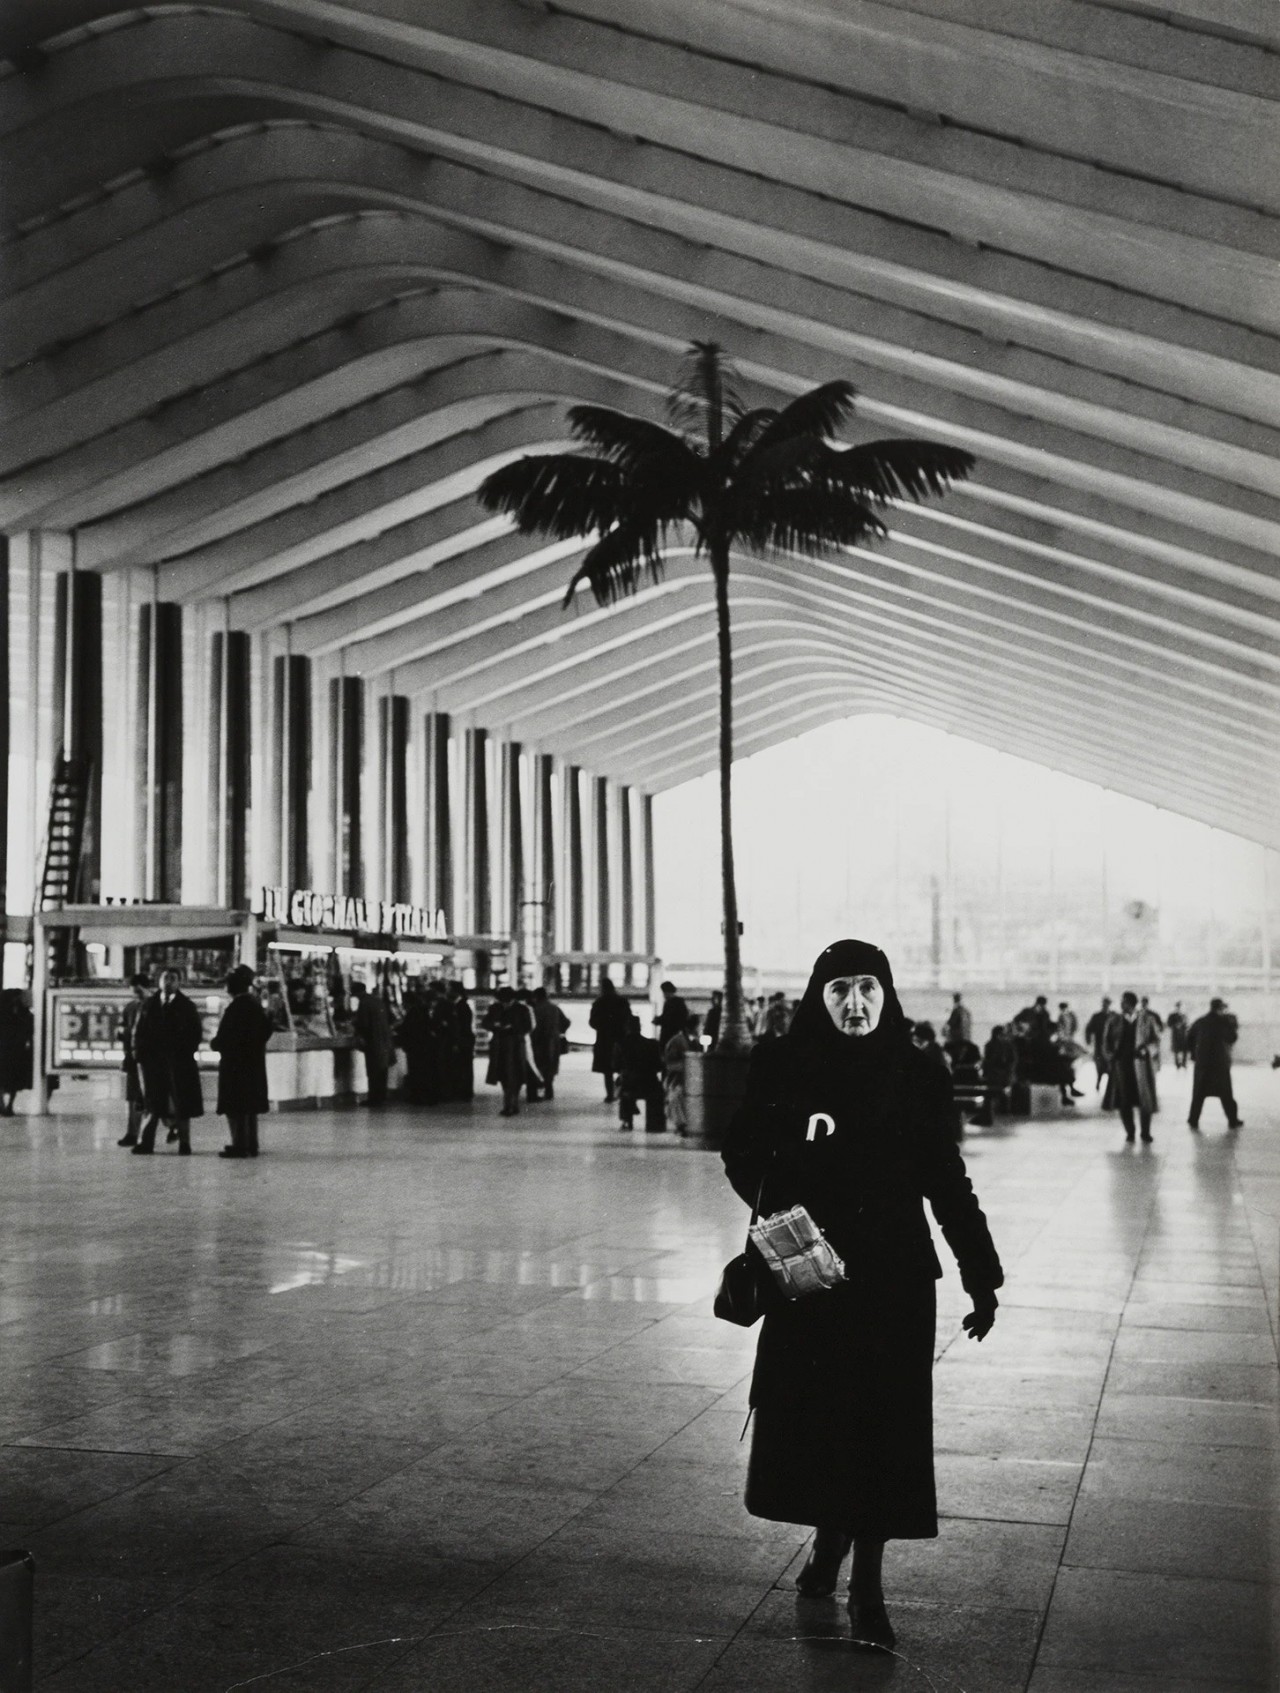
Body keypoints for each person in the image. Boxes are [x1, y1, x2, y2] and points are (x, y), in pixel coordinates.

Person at [722, 940, 1001, 1649]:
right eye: (840, 988)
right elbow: (742, 1150)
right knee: (822, 1422)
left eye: (868, 988)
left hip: (895, 1282)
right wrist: (788, 1212)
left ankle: (866, 1582)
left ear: (888, 993)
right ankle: (828, 1541)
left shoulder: (916, 1072)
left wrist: (981, 1272)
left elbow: (945, 1176)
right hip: (811, 1280)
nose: (855, 1003)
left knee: (885, 1431)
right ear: (819, 994)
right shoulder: (784, 1064)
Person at [132, 969, 204, 1154]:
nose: (169, 982)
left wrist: (184, 1052)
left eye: (173, 979)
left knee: (181, 1104)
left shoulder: (187, 1006)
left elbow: (195, 1034)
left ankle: (184, 1143)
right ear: (159, 981)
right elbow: (138, 1032)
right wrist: (139, 1055)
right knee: (152, 1103)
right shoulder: (148, 1005)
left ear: (179, 983)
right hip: (152, 1063)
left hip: (179, 1062)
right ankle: (145, 1142)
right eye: (166, 978)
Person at [210, 965, 271, 1158]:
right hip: (253, 1063)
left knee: (235, 1106)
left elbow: (225, 1037)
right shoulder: (255, 1005)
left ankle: (239, 1144)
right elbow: (265, 1031)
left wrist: (216, 1044)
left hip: (235, 1065)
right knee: (249, 1108)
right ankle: (250, 1143)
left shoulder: (236, 1007)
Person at [1101, 992, 1161, 1144]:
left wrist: (1146, 1049)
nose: (1121, 1005)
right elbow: (1106, 1042)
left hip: (1141, 1066)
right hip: (1121, 1066)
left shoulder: (1148, 1020)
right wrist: (1111, 1057)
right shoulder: (1113, 1020)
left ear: (1131, 1004)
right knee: (1123, 1101)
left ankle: (1145, 1133)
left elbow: (1156, 1041)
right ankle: (1130, 1132)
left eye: (1123, 1002)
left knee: (1144, 1101)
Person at [1187, 998, 1243, 1132]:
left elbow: (1189, 1037)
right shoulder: (1224, 1022)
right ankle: (1233, 1120)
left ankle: (1193, 1119)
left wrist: (1194, 1055)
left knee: (1199, 1093)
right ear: (1220, 1008)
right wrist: (1232, 1024)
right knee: (1226, 1094)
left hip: (1203, 1063)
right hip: (1220, 1064)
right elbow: (1232, 1038)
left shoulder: (1200, 1021)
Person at [483, 987, 537, 1117]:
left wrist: (512, 1027)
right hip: (501, 1045)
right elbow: (485, 1023)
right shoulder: (495, 1007)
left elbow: (528, 1027)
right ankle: (510, 1103)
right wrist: (495, 1025)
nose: (504, 1004)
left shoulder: (522, 1009)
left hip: (515, 1045)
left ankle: (510, 1104)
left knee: (513, 1075)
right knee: (504, 1075)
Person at [116, 974, 152, 1145]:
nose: (137, 995)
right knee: (133, 1096)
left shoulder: (152, 1006)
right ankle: (133, 1132)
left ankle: (139, 1133)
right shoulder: (131, 1007)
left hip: (146, 1058)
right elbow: (123, 1028)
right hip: (133, 1057)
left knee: (143, 1097)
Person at [617, 1011, 663, 1132]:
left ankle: (627, 1120)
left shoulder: (621, 1044)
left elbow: (615, 1065)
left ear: (626, 1028)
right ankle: (654, 1123)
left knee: (623, 1082)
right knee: (653, 1088)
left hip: (629, 1084)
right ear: (640, 1027)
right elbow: (659, 1066)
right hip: (650, 1083)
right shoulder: (652, 1044)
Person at [351, 981, 394, 1105]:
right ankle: (381, 1096)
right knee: (382, 1070)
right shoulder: (377, 1001)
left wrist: (356, 1028)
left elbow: (364, 1024)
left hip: (373, 1042)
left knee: (373, 1071)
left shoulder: (364, 1003)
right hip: (384, 1041)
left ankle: (374, 1098)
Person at [588, 977, 630, 1103]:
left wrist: (603, 1027)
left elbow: (592, 1022)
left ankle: (610, 1095)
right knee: (622, 1067)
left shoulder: (599, 1002)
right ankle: (622, 1091)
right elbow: (628, 1018)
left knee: (607, 1070)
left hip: (604, 1039)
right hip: (620, 1039)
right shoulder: (622, 1001)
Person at [662, 1012, 701, 1137]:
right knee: (677, 1095)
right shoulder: (676, 1041)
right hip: (676, 1079)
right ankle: (681, 1125)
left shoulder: (694, 1041)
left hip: (691, 1079)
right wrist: (686, 1067)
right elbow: (669, 1063)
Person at [529, 986, 570, 1101]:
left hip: (538, 1042)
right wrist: (559, 1031)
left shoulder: (535, 1009)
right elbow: (566, 1022)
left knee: (539, 1065)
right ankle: (549, 1090)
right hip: (553, 1041)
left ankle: (538, 1090)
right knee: (550, 1066)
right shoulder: (555, 1008)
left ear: (536, 997)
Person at [0, 989, 34, 1117]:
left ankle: (4, 1105)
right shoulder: (26, 1016)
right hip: (17, 1050)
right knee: (13, 1079)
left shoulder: (5, 1013)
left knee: (3, 1078)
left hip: (6, 1049)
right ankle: (9, 1105)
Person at [980, 1025, 1016, 1116]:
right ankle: (1002, 1110)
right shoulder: (1005, 1045)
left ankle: (1000, 1110)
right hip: (999, 1074)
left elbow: (1011, 1060)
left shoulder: (993, 1045)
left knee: (999, 1093)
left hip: (999, 1074)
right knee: (1000, 1094)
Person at [1084, 996, 1112, 1094]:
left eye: (1107, 1004)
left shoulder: (1112, 1016)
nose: (1105, 1005)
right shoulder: (1097, 1016)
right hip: (1099, 1045)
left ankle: (1108, 1087)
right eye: (1104, 1003)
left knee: (1109, 1066)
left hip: (1109, 1046)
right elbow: (1089, 1028)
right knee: (1099, 1065)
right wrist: (1088, 1040)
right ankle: (1098, 1082)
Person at [656, 979, 690, 1048]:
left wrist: (658, 1020)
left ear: (666, 992)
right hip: (676, 1035)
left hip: (669, 1035)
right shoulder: (680, 1002)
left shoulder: (670, 1003)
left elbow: (667, 1019)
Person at [1167, 1001, 1190, 1070]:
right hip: (1175, 1035)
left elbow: (1187, 1024)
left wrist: (1183, 1026)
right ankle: (1177, 1064)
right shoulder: (1172, 1015)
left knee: (1185, 1050)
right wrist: (1175, 1025)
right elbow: (1169, 1024)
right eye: (1178, 1006)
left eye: (1180, 1007)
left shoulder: (1184, 1015)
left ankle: (1184, 1063)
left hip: (1183, 1035)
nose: (1179, 1008)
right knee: (1176, 1050)